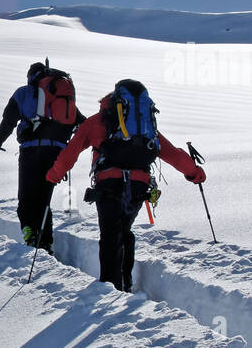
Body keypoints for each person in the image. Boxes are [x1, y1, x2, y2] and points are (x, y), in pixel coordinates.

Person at [46, 78, 205, 291]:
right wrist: (195, 173)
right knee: (123, 229)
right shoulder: (145, 127)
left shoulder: (98, 121)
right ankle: (125, 284)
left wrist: (54, 175)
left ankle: (111, 289)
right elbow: (172, 154)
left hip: (108, 183)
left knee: (110, 234)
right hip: (139, 186)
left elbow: (71, 152)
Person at [0, 61, 85, 254]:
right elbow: (82, 125)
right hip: (56, 154)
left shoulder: (23, 93)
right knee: (43, 200)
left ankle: (30, 235)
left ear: (30, 76)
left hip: (31, 152)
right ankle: (46, 244)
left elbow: (8, 123)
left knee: (26, 199)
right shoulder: (63, 97)